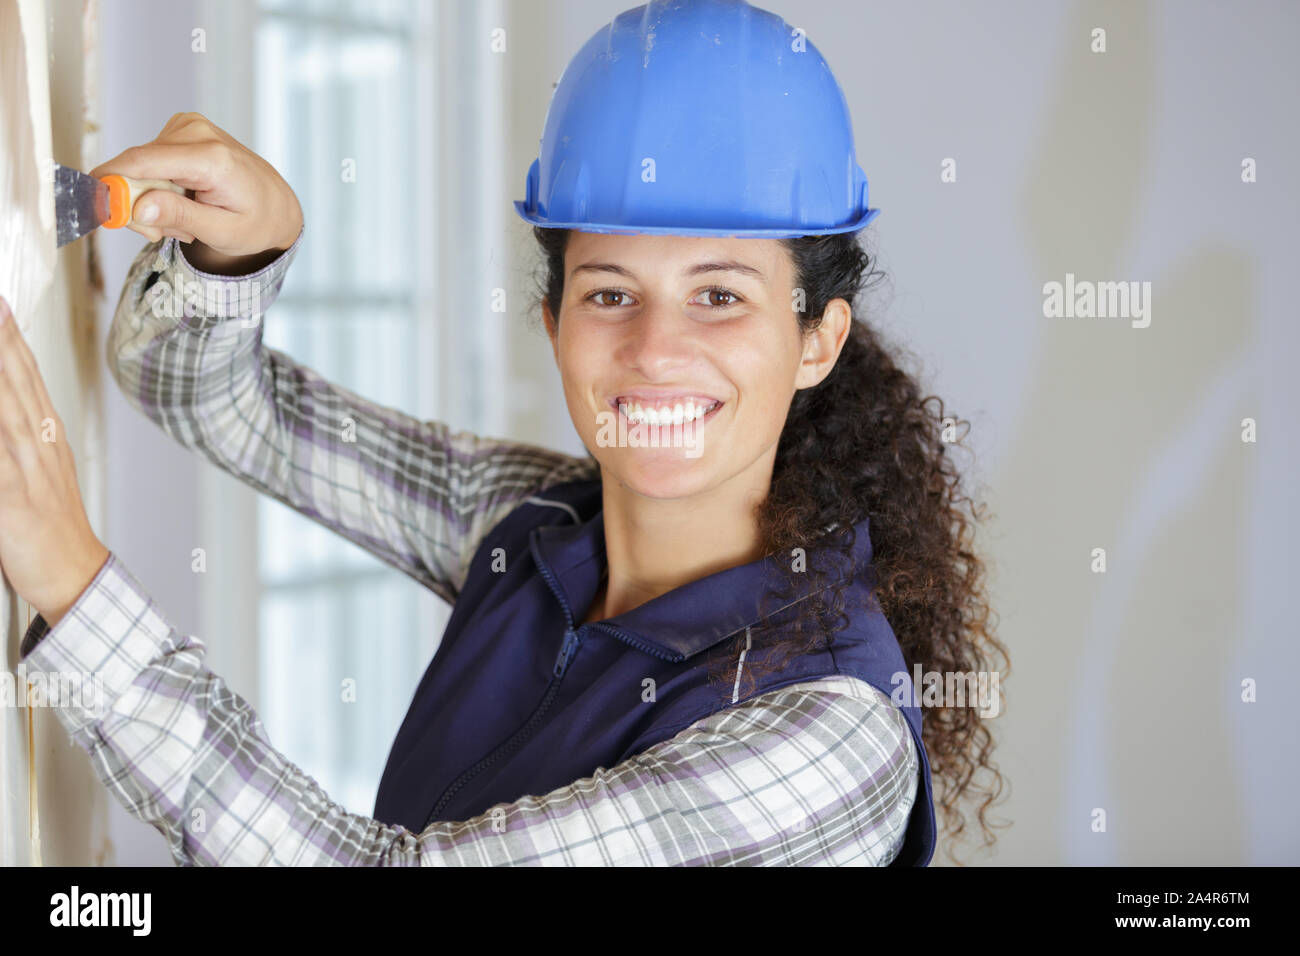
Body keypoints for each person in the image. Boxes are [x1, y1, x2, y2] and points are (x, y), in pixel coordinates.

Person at [0, 0, 1006, 865]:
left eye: (718, 295)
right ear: (554, 324)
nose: (655, 349)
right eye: (611, 291)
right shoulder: (539, 527)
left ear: (817, 340)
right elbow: (219, 405)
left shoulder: (822, 734)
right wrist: (244, 253)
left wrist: (77, 596)